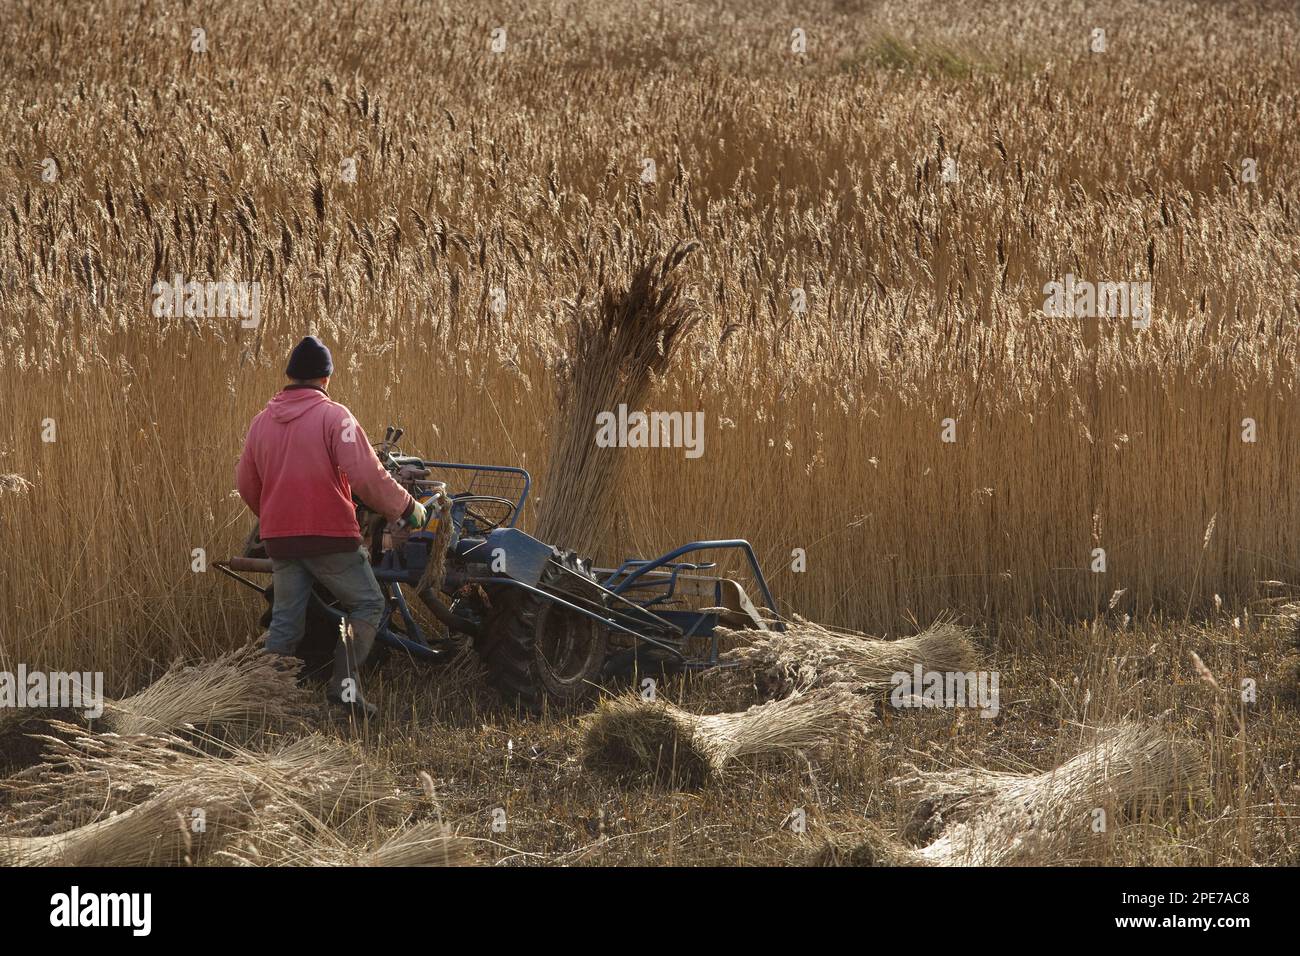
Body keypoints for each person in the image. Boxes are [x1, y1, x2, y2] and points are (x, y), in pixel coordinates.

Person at [236, 335, 426, 718]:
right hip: (328, 538)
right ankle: (343, 691)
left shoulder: (261, 422)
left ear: (290, 375)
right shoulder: (334, 416)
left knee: (286, 624)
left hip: (282, 541)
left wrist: (275, 516)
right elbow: (366, 476)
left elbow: (246, 483)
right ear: (326, 378)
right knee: (370, 602)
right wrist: (406, 508)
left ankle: (260, 702)